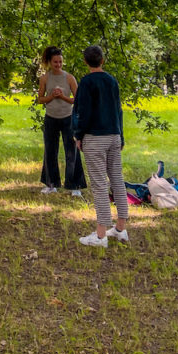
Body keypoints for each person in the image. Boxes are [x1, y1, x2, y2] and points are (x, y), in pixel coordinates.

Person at [71, 44, 129, 247]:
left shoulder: (87, 82)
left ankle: (101, 234)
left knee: (99, 184)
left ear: (85, 62)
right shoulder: (112, 81)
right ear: (102, 60)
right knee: (117, 180)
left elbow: (82, 111)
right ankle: (120, 228)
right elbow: (118, 110)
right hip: (114, 134)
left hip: (95, 137)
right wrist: (121, 135)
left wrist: (78, 134)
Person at [36, 46, 86, 197]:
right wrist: (51, 96)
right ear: (50, 62)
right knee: (50, 151)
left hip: (68, 118)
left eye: (60, 62)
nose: (58, 64)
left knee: (72, 151)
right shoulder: (45, 78)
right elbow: (40, 99)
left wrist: (63, 96)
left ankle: (74, 186)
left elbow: (78, 100)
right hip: (51, 118)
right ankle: (51, 184)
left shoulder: (69, 78)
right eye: (55, 62)